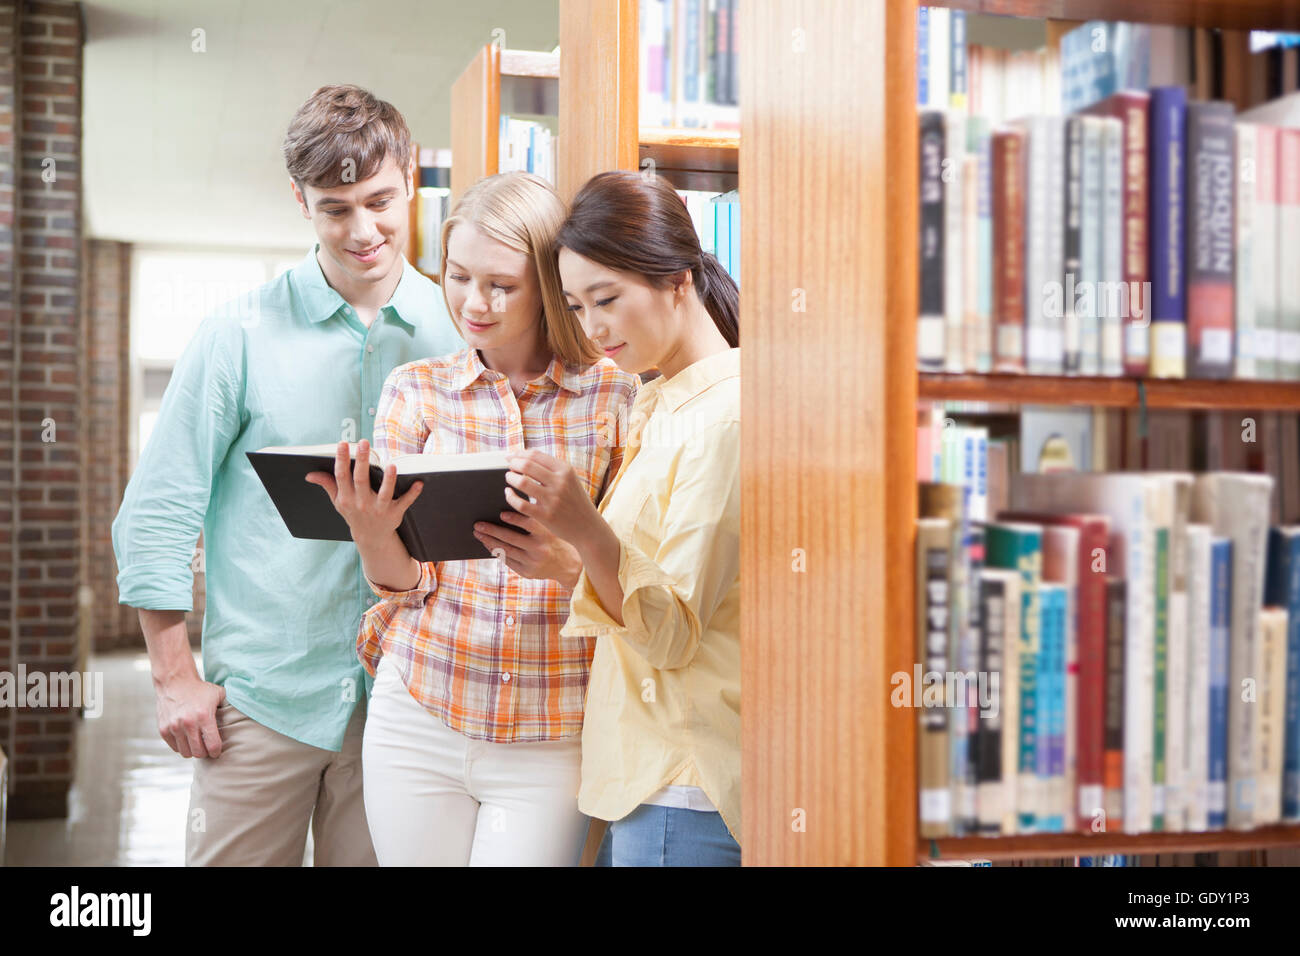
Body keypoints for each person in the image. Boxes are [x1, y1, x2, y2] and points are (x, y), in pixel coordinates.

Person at [111, 84, 463, 866]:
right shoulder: (234, 335)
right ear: (299, 200)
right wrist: (174, 678)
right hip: (262, 703)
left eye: (379, 200)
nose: (363, 230)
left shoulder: (459, 332)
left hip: (411, 709)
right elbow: (159, 510)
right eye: (336, 207)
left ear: (411, 179)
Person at [305, 171, 639, 866]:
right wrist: (373, 537)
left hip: (552, 732)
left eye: (501, 285)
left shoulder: (616, 397)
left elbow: (638, 588)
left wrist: (566, 564)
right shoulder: (418, 391)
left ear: (548, 284)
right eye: (458, 276)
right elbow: (402, 586)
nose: (472, 303)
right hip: (419, 710)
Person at [505, 170, 742, 866]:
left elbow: (672, 634)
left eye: (607, 299)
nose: (595, 328)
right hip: (644, 781)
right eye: (577, 308)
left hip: (683, 782)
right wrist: (566, 563)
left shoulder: (724, 417)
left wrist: (585, 529)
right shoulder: (664, 402)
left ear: (677, 279)